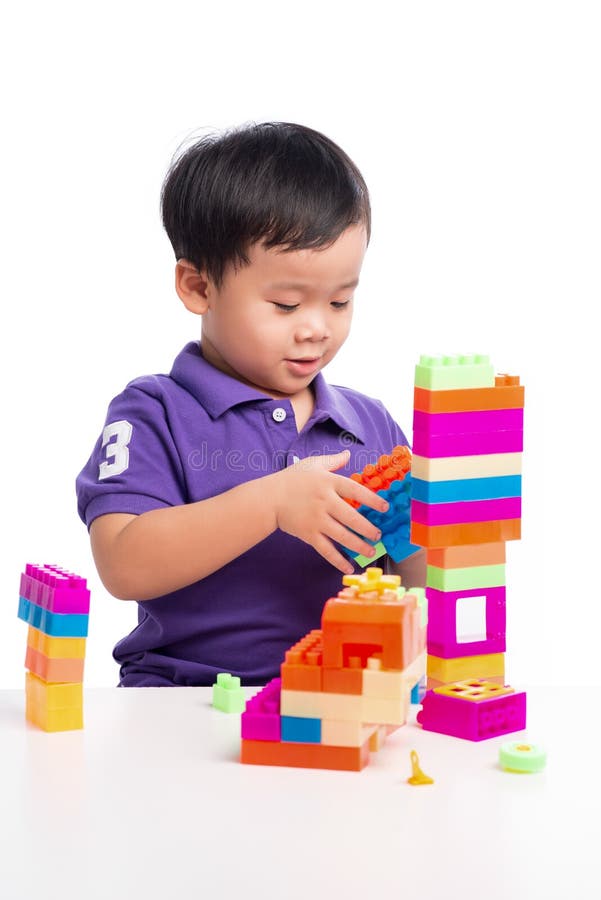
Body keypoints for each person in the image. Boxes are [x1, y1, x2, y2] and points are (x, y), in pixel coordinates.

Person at [76, 121, 426, 687]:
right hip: (181, 699)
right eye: (286, 304)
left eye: (339, 301)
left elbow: (418, 587)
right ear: (198, 287)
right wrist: (270, 505)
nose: (316, 328)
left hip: (342, 699)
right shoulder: (154, 413)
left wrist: (435, 529)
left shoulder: (370, 426)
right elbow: (122, 561)